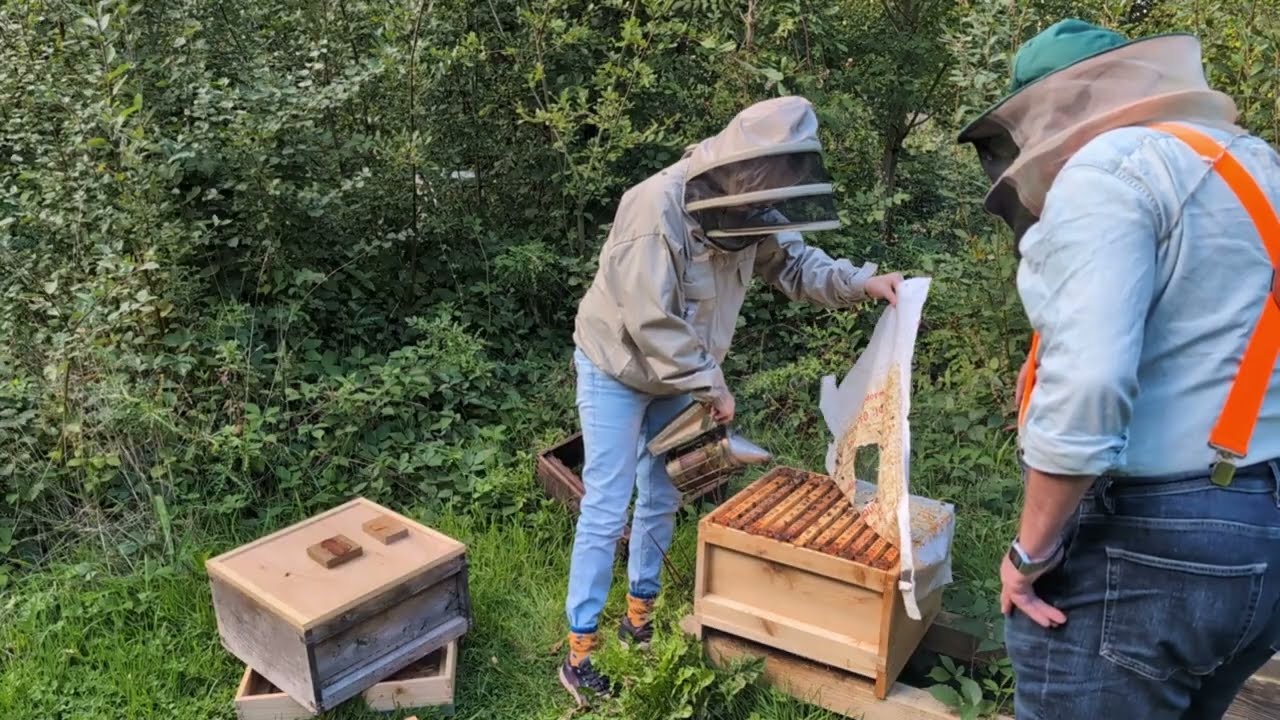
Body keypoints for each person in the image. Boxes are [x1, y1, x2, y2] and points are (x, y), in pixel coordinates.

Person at [957, 18, 1280, 719]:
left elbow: (1091, 384)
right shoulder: (1260, 167)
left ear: (1055, 109)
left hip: (1148, 542)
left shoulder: (1109, 168)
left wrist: (1029, 552)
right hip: (1263, 536)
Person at [561, 95, 904, 705]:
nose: (766, 202)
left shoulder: (756, 206)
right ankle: (579, 653)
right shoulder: (653, 207)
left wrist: (861, 282)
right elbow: (649, 319)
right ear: (738, 166)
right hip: (615, 367)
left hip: (682, 379)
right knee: (608, 500)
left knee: (663, 492)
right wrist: (711, 383)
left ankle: (638, 621)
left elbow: (795, 265)